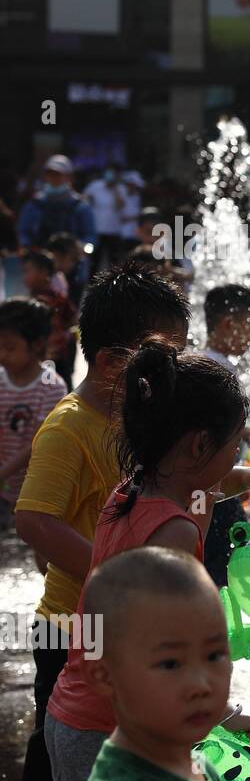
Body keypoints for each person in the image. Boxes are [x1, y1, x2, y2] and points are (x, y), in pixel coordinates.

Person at [44, 339, 250, 781]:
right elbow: (169, 651)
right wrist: (225, 716)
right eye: (236, 444)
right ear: (200, 444)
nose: (239, 455)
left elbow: (215, 483)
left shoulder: (135, 490)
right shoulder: (175, 535)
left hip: (73, 714)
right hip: (112, 734)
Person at [13, 263, 190, 781]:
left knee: (100, 742)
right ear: (114, 362)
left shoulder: (132, 416)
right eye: (165, 358)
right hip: (70, 626)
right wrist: (112, 571)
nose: (174, 370)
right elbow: (34, 519)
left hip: (117, 622)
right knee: (56, 744)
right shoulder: (69, 428)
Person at [73, 548, 233, 781]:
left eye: (214, 655)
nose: (201, 686)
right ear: (104, 676)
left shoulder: (199, 767)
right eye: (171, 663)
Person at [199, 285, 250, 584]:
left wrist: (242, 431)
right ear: (228, 324)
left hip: (211, 484)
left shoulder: (204, 361)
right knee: (228, 555)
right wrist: (241, 431)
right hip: (216, 485)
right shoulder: (219, 369)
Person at [0, 299, 67, 530]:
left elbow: (38, 443)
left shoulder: (51, 387)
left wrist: (4, 472)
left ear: (37, 344)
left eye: (9, 348)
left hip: (33, 487)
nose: (2, 355)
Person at [21, 249, 78, 387]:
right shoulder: (57, 297)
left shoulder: (41, 301)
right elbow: (72, 320)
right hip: (56, 354)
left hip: (49, 357)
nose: (24, 276)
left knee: (49, 388)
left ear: (44, 273)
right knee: (59, 388)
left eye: (28, 271)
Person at [17, 155, 96, 252]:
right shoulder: (34, 204)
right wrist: (26, 246)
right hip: (40, 261)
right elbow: (23, 231)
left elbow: (90, 237)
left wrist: (83, 249)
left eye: (58, 174)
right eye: (50, 173)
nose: (54, 178)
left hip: (72, 262)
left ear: (69, 177)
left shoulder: (80, 205)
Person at [81, 165, 127, 268]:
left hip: (114, 231)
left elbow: (120, 205)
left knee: (114, 261)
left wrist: (115, 189)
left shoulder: (121, 189)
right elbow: (83, 199)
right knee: (94, 261)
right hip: (97, 230)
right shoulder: (95, 185)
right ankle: (93, 282)